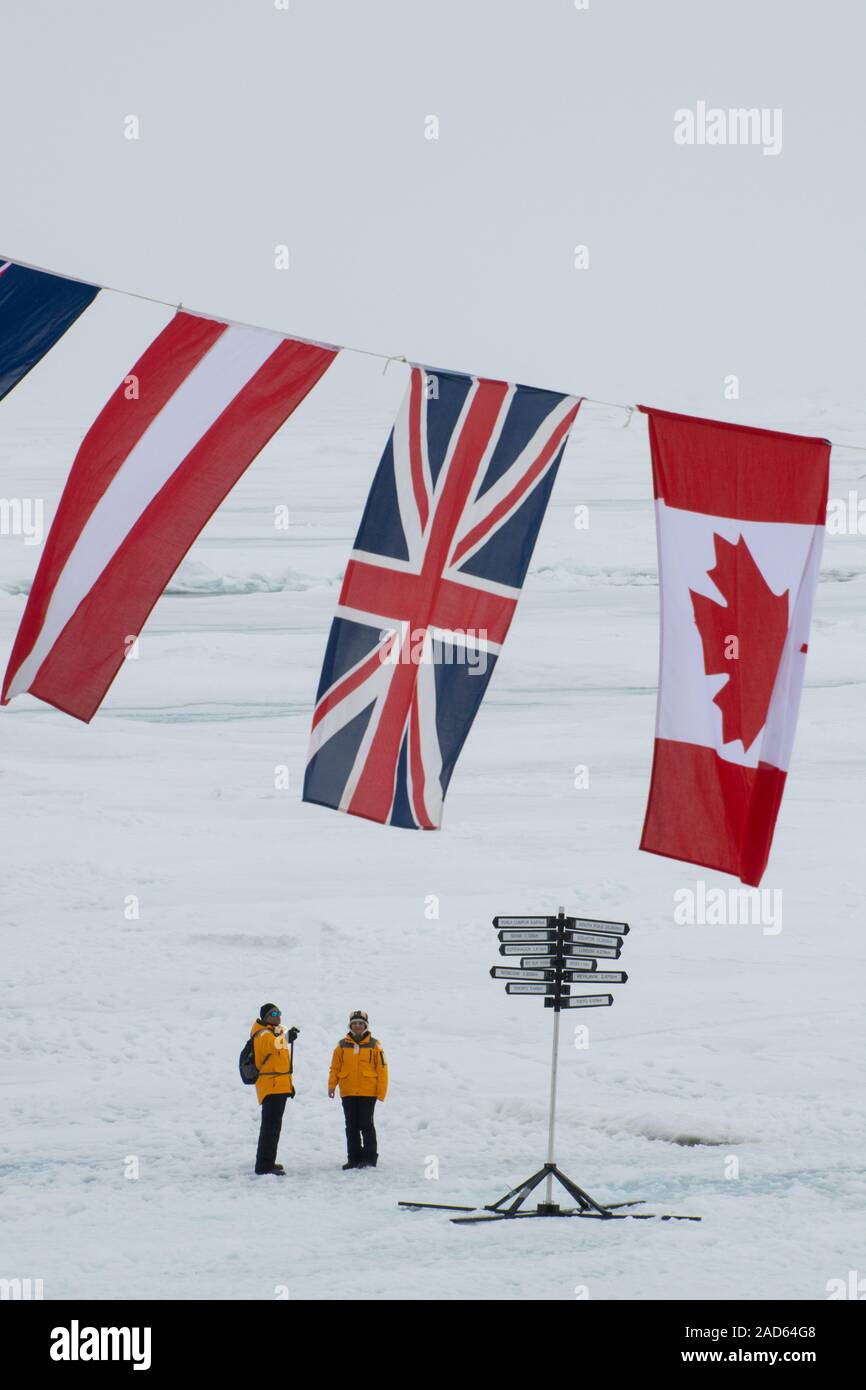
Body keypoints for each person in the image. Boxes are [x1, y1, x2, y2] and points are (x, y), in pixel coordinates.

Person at [328, 1010, 388, 1169]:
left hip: (368, 1092)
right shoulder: (341, 1045)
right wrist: (332, 1085)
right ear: (350, 1025)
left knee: (366, 1124)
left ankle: (369, 1158)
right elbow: (335, 1067)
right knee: (351, 1126)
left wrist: (381, 1092)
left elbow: (382, 1069)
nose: (358, 1026)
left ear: (366, 1026)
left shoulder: (375, 1045)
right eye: (355, 1024)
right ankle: (353, 1158)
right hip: (348, 1092)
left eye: (361, 1024)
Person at [250, 1004, 298, 1176]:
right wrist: (286, 1036)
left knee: (273, 1127)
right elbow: (273, 1046)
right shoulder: (263, 1034)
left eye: (279, 1013)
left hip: (278, 1087)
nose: (278, 1017)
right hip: (271, 1087)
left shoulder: (272, 1033)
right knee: (270, 1127)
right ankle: (264, 1165)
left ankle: (268, 1161)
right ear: (265, 1017)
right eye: (274, 1014)